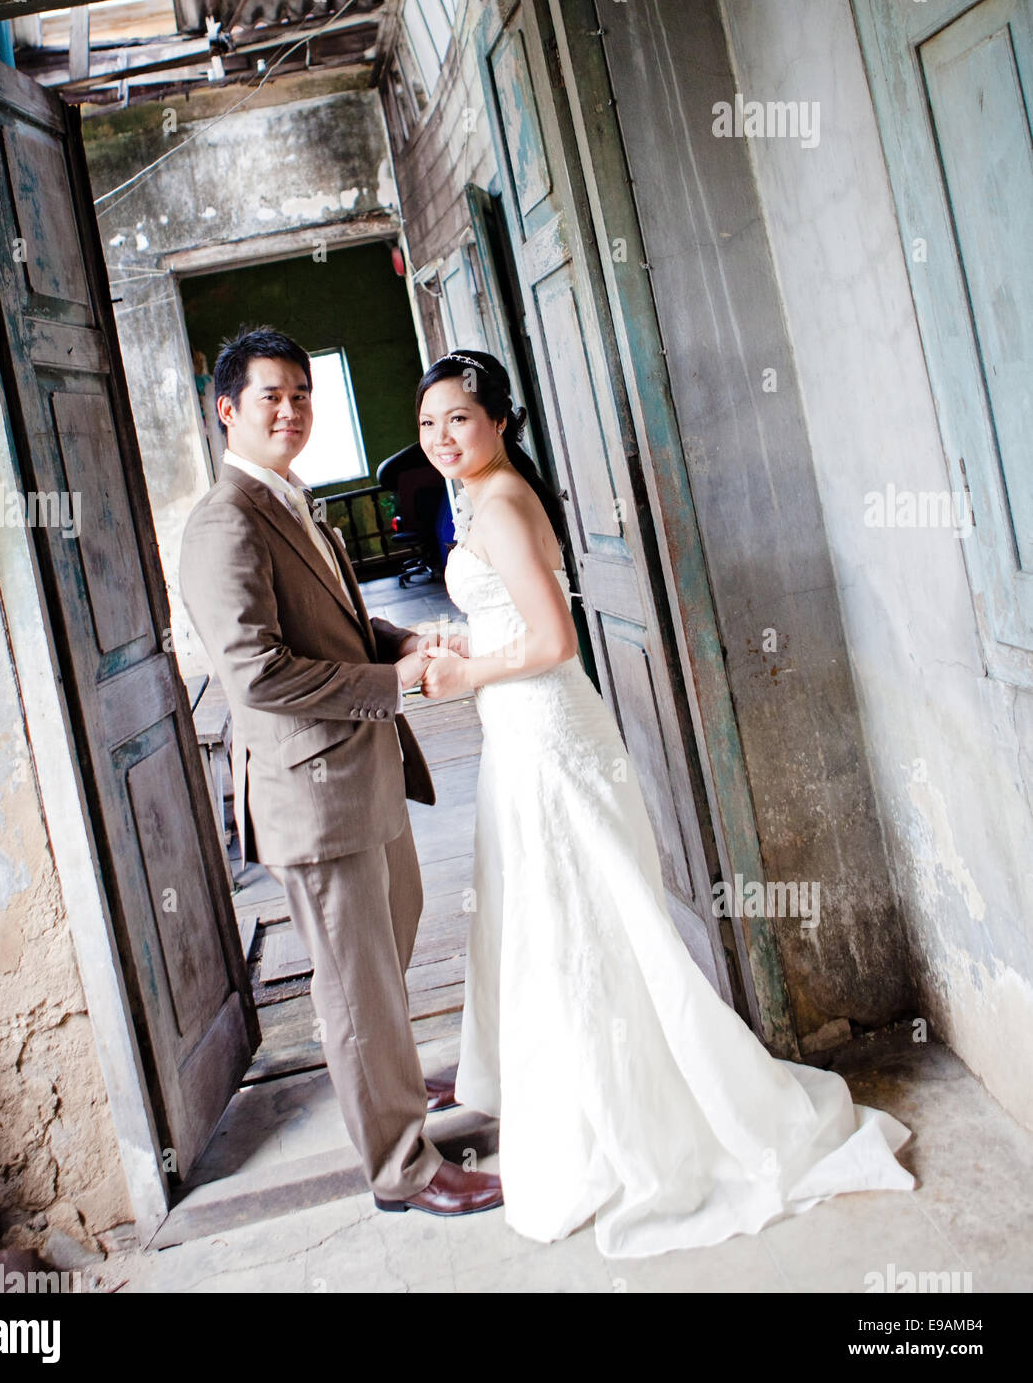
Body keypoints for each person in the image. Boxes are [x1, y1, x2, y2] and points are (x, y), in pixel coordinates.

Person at [415, 348, 916, 1257]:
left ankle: (641, 1129)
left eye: (459, 417)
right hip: (521, 733)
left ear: (496, 421)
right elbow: (516, 619)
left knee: (591, 923)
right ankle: (582, 1110)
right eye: (428, 423)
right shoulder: (486, 497)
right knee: (557, 923)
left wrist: (463, 674)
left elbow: (555, 639)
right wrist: (470, 644)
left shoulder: (501, 501)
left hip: (547, 729)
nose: (444, 437)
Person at [179, 326, 502, 1218]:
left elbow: (344, 633)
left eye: (301, 394)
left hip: (362, 776)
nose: (290, 410)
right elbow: (256, 673)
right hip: (311, 790)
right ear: (227, 411)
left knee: (388, 944)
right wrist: (389, 682)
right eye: (269, 397)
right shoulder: (223, 522)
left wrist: (413, 640)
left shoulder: (295, 502)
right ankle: (405, 1171)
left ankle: (393, 1087)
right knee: (354, 987)